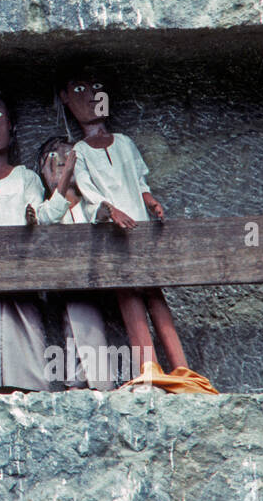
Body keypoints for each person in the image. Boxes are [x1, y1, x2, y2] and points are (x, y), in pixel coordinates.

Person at [58, 71, 218, 394]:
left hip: (140, 233)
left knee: (155, 295)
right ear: (65, 98)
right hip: (114, 238)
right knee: (129, 295)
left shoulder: (126, 144)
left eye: (97, 88)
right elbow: (89, 196)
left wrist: (149, 200)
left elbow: (139, 180)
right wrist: (109, 211)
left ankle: (182, 365)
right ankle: (148, 365)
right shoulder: (80, 152)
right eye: (80, 89)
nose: (91, 96)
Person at [0, 90, 71, 392]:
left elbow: (41, 214)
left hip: (24, 279)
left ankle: (35, 394)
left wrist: (48, 202)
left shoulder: (26, 178)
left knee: (28, 344)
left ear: (12, 127)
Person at [36, 136, 115, 390]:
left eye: (70, 159)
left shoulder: (86, 206)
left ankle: (95, 381)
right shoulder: (44, 208)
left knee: (85, 324)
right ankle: (80, 380)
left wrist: (103, 212)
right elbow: (46, 219)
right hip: (61, 283)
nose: (64, 164)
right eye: (56, 160)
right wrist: (57, 187)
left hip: (92, 279)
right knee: (73, 325)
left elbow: (98, 216)